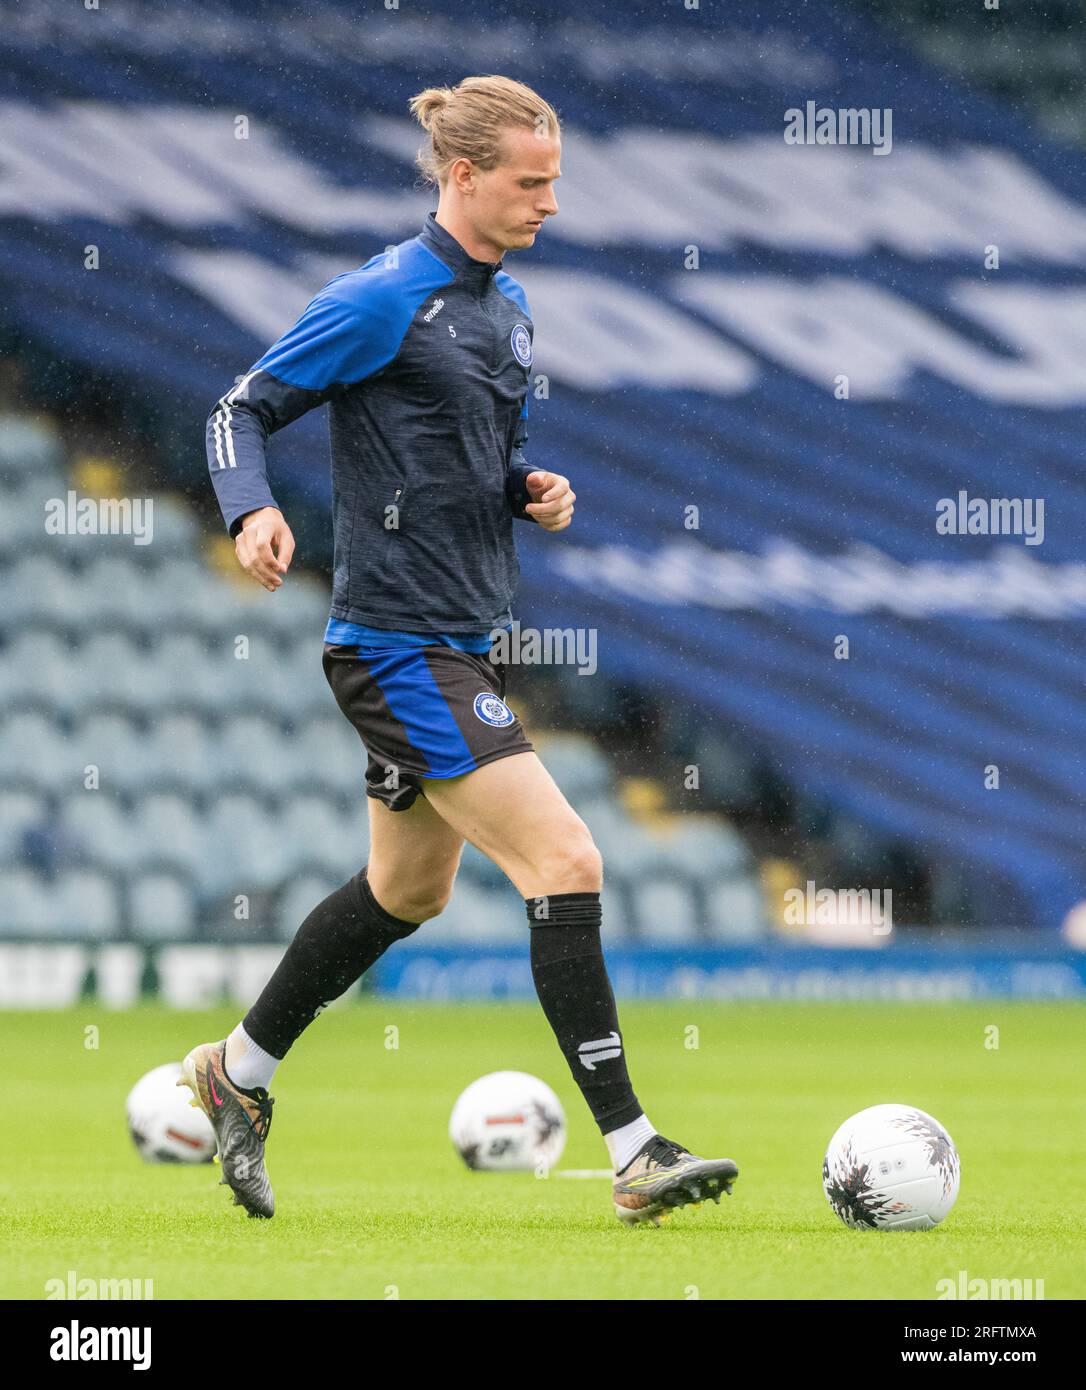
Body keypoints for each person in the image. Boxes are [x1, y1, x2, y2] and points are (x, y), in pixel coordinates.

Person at [181, 74, 738, 1226]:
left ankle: (237, 1073)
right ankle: (634, 1151)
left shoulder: (510, 308)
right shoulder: (384, 296)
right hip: (396, 649)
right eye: (532, 183)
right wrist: (251, 509)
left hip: (460, 639)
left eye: (556, 183)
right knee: (567, 860)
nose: (549, 202)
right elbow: (240, 406)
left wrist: (525, 488)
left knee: (405, 889)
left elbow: (467, 452)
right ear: (464, 174)